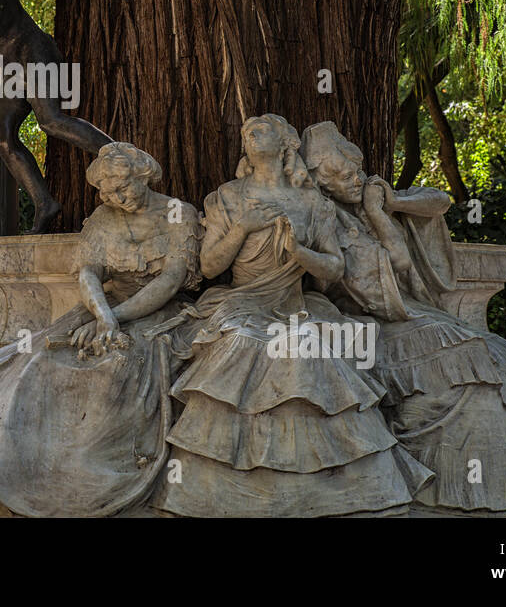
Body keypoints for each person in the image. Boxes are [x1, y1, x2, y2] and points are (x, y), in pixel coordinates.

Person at [0, 142, 200, 516]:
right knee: (30, 365)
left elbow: (170, 280)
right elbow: (89, 272)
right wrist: (101, 314)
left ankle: (73, 484)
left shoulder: (177, 213)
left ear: (144, 177)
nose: (116, 197)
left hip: (155, 316)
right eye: (107, 192)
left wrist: (115, 319)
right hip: (100, 311)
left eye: (123, 187)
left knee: (114, 368)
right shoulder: (104, 218)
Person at [299, 121, 506, 511]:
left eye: (357, 172)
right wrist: (377, 215)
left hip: (413, 316)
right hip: (376, 323)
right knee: (464, 357)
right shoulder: (330, 220)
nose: (355, 180)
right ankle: (465, 486)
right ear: (322, 183)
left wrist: (391, 203)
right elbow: (387, 274)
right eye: (344, 176)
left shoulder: (371, 197)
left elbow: (439, 200)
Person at [151, 114, 431, 517]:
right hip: (242, 301)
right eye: (246, 131)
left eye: (261, 128)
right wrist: (242, 228)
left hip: (295, 303)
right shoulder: (228, 197)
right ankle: (224, 489)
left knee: (308, 348)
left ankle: (323, 489)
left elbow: (333, 269)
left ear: (287, 144)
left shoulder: (313, 203)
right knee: (244, 345)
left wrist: (300, 253)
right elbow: (210, 267)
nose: (249, 133)